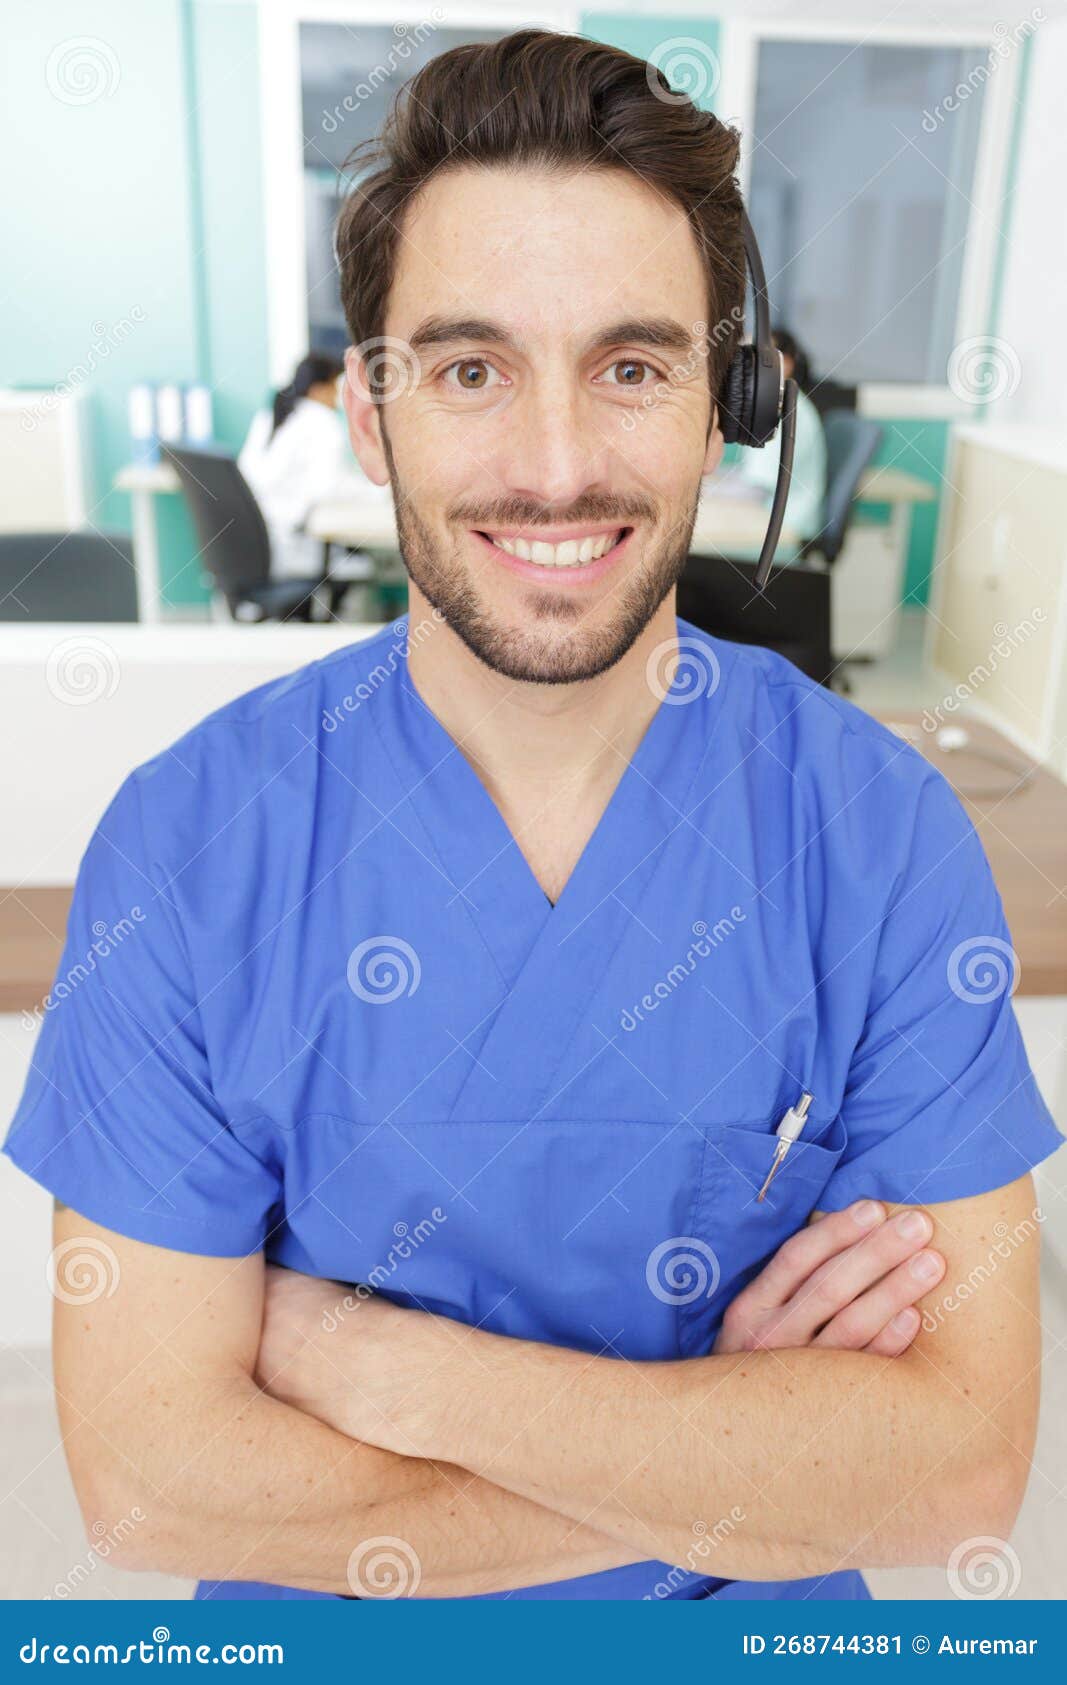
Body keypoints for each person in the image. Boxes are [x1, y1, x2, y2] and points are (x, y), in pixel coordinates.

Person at [7, 30, 1061, 1604]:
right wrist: (734, 1450)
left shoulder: (879, 840)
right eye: (469, 369)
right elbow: (152, 1490)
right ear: (371, 413)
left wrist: (383, 1370)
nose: (555, 468)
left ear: (725, 410)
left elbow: (957, 1473)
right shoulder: (190, 848)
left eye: (631, 367)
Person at [238, 350, 359, 580]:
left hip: (253, 546)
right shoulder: (322, 421)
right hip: (292, 546)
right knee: (365, 566)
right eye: (335, 387)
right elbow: (328, 488)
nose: (338, 396)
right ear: (318, 389)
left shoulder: (271, 415)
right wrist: (375, 491)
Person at [739, 327, 827, 545]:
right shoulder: (772, 405)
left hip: (787, 530)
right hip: (766, 519)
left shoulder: (789, 412)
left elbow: (756, 490)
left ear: (785, 363)